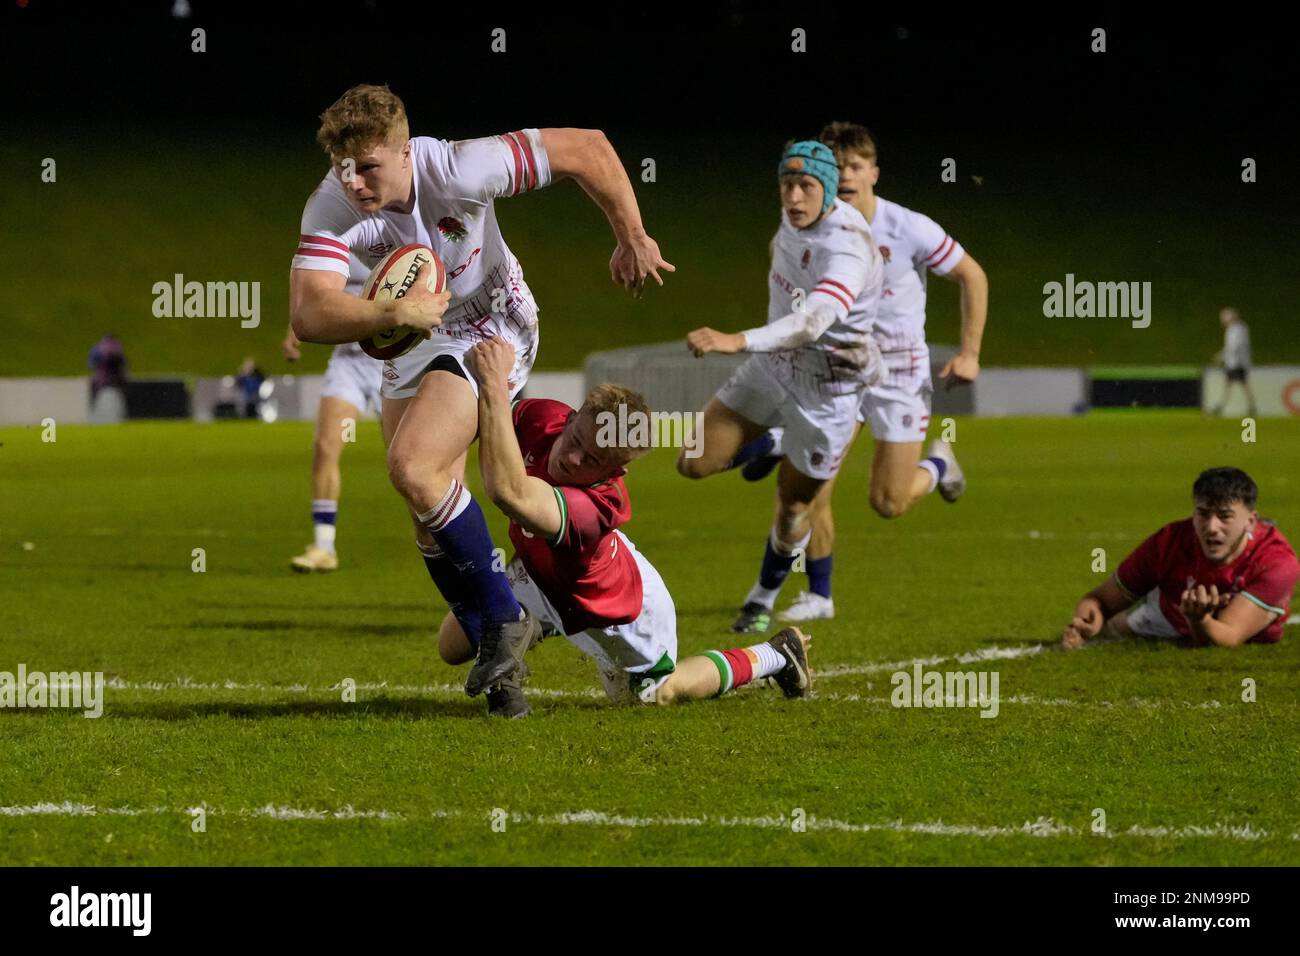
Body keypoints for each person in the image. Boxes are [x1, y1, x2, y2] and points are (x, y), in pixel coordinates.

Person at [289, 84, 673, 698]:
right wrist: (395, 310)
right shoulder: (332, 204)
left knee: (414, 467)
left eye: (368, 167)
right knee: (424, 507)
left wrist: (631, 233)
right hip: (415, 332)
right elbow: (308, 314)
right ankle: (501, 674)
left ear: (405, 151)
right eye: (343, 168)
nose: (354, 181)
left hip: (491, 322)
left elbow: (589, 149)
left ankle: (502, 619)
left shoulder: (464, 166)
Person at [436, 335, 811, 717]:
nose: (573, 457)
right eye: (576, 438)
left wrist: (494, 385)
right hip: (537, 575)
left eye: (593, 459)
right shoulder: (543, 417)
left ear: (615, 472)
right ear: (574, 414)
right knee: (452, 643)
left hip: (618, 614)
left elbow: (509, 492)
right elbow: (481, 425)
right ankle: (531, 623)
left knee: (655, 693)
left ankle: (775, 654)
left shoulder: (597, 507)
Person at [732, 122, 990, 624]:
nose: (846, 175)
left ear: (873, 172)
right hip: (838, 370)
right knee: (808, 486)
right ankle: (820, 594)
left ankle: (938, 466)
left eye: (855, 165)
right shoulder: (806, 226)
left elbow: (971, 275)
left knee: (888, 503)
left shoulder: (908, 227)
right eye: (837, 166)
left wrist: (970, 352)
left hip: (897, 372)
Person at [677, 139, 884, 634]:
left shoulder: (848, 247)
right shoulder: (793, 222)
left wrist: (737, 339)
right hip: (775, 369)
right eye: (787, 185)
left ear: (828, 191)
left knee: (794, 508)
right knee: (692, 461)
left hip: (828, 393)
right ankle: (772, 441)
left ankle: (761, 597)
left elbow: (812, 321)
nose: (794, 197)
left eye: (806, 186)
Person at [1061, 467, 1298, 649]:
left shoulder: (1276, 562)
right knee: (1111, 628)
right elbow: (1100, 600)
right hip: (1170, 616)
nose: (1211, 527)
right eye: (1203, 514)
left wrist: (1199, 620)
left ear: (1251, 520)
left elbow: (1229, 635)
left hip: (1245, 632)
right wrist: (1088, 622)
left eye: (1225, 516)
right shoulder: (1169, 543)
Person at [283, 328, 383, 574]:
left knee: (412, 461)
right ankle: (324, 547)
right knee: (325, 447)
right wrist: (295, 326)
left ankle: (451, 541)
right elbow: (316, 289)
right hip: (349, 360)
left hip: (398, 358)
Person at [1210, 307, 1257, 417]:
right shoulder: (1240, 328)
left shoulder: (1235, 330)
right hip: (1237, 362)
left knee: (1239, 385)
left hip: (1236, 363)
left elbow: (1233, 347)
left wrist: (1221, 356)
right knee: (1234, 385)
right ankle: (1222, 407)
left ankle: (1250, 407)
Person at [88, 333, 127, 400]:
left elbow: (122, 362)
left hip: (114, 373)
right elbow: (92, 363)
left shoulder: (116, 348)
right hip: (103, 373)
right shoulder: (98, 349)